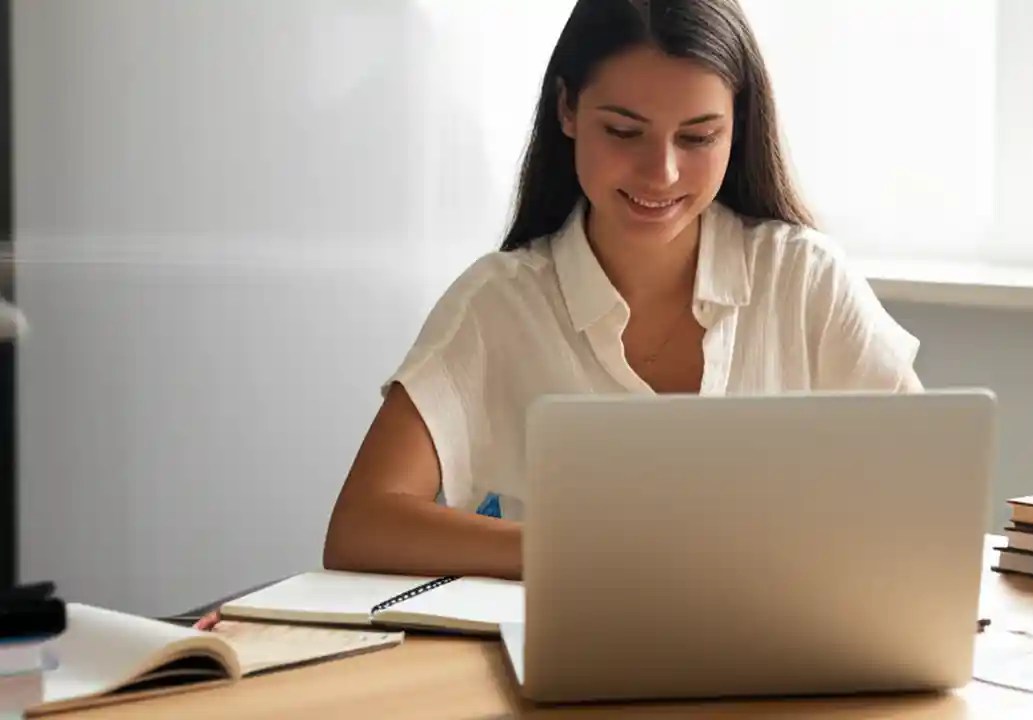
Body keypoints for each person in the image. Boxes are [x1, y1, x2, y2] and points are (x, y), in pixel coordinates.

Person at [194, 0, 921, 630]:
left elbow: (922, 498)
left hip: (785, 651)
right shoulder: (498, 302)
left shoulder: (805, 278)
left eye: (698, 137)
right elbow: (360, 526)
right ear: (568, 110)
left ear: (738, 126)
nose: (661, 173)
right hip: (572, 660)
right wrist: (575, 552)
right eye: (624, 131)